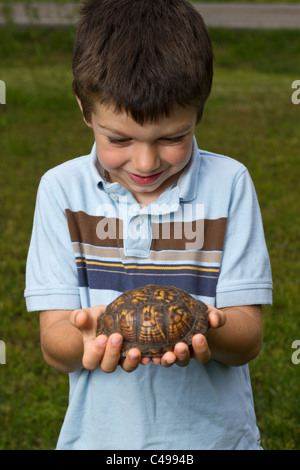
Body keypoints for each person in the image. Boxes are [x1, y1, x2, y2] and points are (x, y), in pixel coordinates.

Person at [24, 0, 272, 450]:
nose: (145, 162)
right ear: (84, 108)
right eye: (118, 139)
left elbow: (247, 338)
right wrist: (90, 336)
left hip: (215, 441)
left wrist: (203, 326)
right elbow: (54, 342)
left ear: (199, 109)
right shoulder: (61, 190)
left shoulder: (229, 184)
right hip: (101, 442)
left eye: (172, 138)